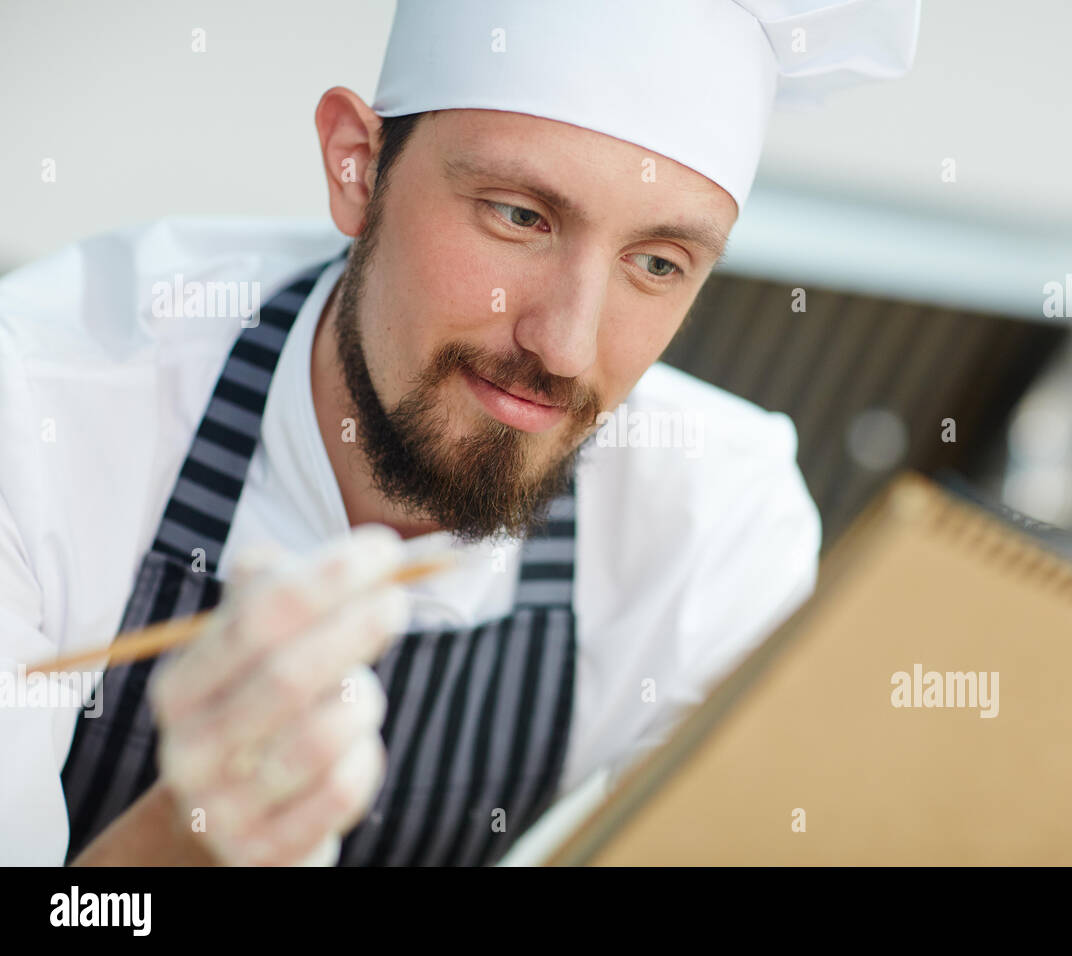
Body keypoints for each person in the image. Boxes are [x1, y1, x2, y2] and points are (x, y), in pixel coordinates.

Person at [0, 0, 920, 866]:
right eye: (519, 216)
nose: (563, 345)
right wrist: (186, 843)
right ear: (357, 165)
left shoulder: (714, 533)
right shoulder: (44, 410)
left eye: (656, 263)